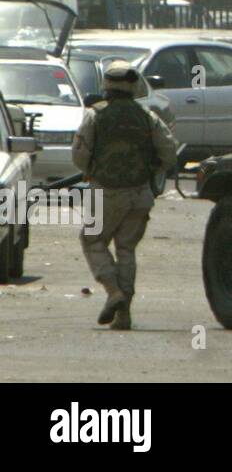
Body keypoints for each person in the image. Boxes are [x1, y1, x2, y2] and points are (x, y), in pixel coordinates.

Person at [72, 61, 178, 331]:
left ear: (106, 84)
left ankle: (113, 292)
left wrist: (94, 169)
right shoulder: (146, 116)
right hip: (140, 193)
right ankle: (124, 314)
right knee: (126, 249)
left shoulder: (95, 115)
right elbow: (168, 151)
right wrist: (150, 168)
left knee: (92, 239)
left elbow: (79, 156)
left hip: (104, 192)